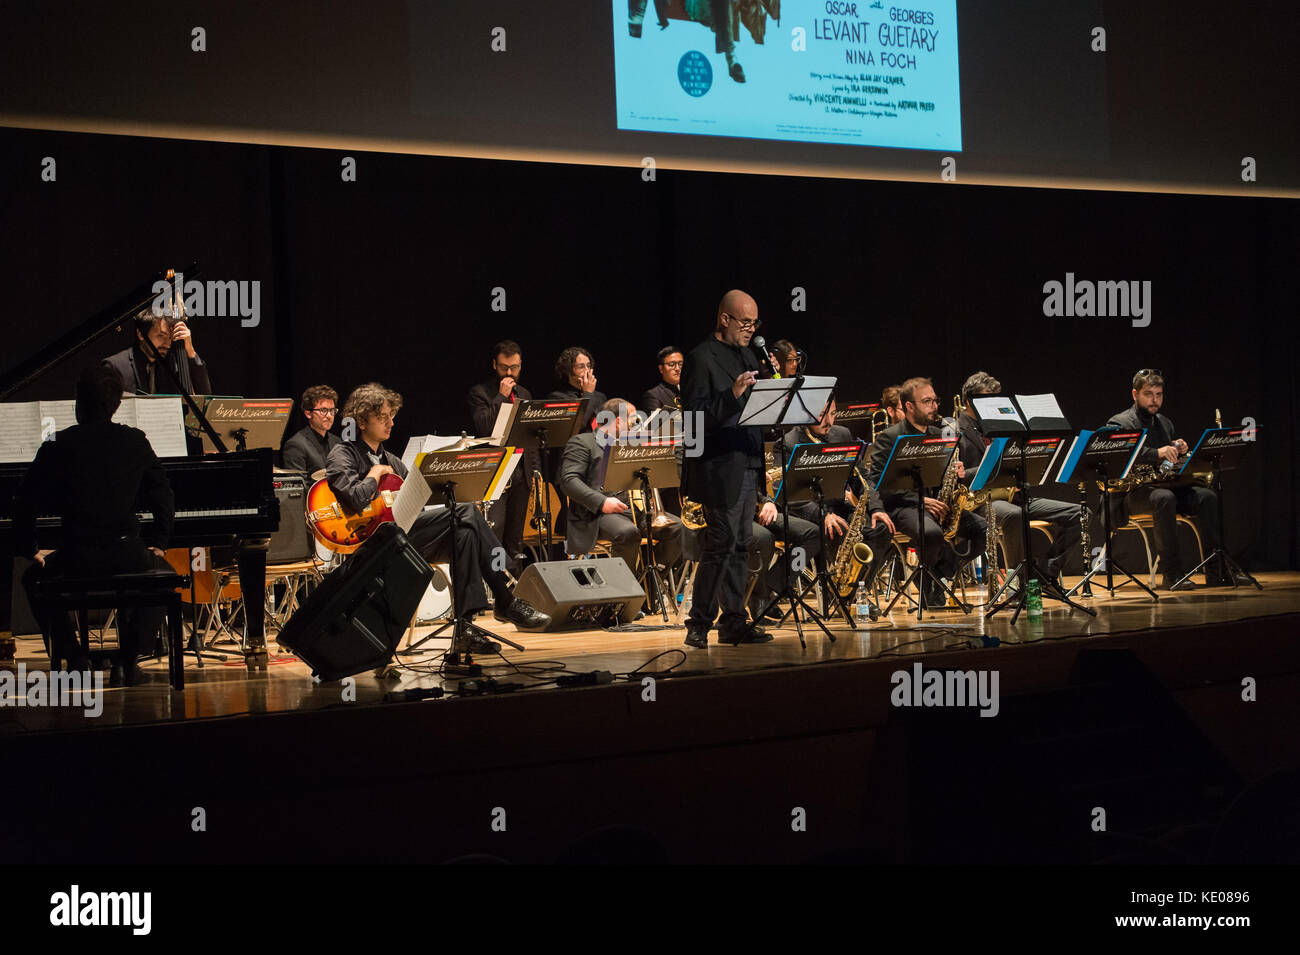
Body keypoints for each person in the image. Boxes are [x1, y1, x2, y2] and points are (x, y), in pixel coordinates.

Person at [324, 383, 550, 654]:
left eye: (392, 415)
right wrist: (374, 474)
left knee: (463, 532)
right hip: (371, 544)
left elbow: (417, 508)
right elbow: (354, 498)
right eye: (382, 417)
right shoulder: (343, 453)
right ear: (361, 420)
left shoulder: (394, 462)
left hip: (403, 538)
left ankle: (465, 628)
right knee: (466, 513)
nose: (391, 422)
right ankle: (506, 599)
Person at [14, 365, 175, 686]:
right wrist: (158, 538)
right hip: (127, 551)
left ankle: (75, 659)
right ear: (116, 404)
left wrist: (30, 548)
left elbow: (24, 502)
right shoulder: (135, 440)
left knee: (33, 579)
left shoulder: (56, 444)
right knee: (166, 581)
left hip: (76, 556)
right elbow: (164, 497)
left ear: (79, 402)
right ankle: (127, 662)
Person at [679, 289, 771, 647]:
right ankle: (698, 623)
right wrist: (730, 395)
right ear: (725, 319)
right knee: (721, 542)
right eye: (745, 323)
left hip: (747, 459)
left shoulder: (748, 354)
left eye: (755, 323)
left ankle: (734, 620)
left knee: (740, 545)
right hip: (718, 466)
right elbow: (694, 419)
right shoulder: (700, 358)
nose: (751, 330)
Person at [1106, 369, 1245, 590]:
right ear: (1135, 394)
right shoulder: (1120, 422)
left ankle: (1217, 571)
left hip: (1163, 486)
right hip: (1131, 495)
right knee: (1164, 498)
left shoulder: (1164, 423)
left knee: (1207, 496)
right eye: (1148, 394)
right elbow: (1119, 459)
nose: (1154, 400)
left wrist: (1178, 450)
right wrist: (1156, 453)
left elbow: (1167, 467)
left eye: (1159, 394)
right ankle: (1172, 573)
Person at [867, 376, 986, 608]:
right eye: (927, 401)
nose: (934, 406)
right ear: (909, 406)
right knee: (931, 533)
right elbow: (881, 484)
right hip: (903, 506)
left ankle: (936, 575)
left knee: (981, 529)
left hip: (936, 503)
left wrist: (956, 471)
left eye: (935, 400)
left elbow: (944, 473)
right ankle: (931, 585)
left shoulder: (940, 432)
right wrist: (922, 500)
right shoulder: (889, 438)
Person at [955, 371, 1081, 586]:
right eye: (987, 400)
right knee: (1014, 515)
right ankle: (1018, 584)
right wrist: (985, 469)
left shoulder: (1001, 424)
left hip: (1013, 494)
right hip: (981, 501)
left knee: (1079, 514)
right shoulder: (954, 428)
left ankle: (1044, 573)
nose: (993, 405)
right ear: (969, 401)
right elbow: (956, 477)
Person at [559, 399, 682, 586]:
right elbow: (569, 481)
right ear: (618, 421)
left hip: (634, 509)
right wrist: (602, 502)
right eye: (634, 420)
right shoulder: (583, 442)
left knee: (677, 529)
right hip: (597, 513)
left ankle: (647, 587)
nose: (637, 425)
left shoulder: (633, 444)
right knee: (627, 533)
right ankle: (622, 593)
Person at [782, 397, 894, 589]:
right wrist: (823, 516)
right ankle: (842, 589)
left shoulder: (842, 434)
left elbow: (861, 476)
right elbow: (791, 494)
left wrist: (875, 507)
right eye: (822, 415)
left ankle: (856, 590)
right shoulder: (789, 442)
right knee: (837, 531)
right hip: (810, 512)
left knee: (881, 529)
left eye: (833, 414)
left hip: (840, 506)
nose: (829, 422)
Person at [467, 340, 534, 573]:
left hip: (521, 470)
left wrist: (534, 471)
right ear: (494, 364)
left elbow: (529, 435)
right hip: (496, 470)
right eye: (504, 367)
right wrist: (502, 397)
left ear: (520, 365)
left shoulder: (524, 393)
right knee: (494, 531)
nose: (509, 373)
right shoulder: (481, 393)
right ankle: (494, 589)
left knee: (515, 539)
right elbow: (485, 428)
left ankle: (514, 593)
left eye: (514, 367)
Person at [103, 306, 212, 396]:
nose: (167, 344)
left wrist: (190, 350)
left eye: (170, 337)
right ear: (141, 334)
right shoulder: (115, 367)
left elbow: (204, 396)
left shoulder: (172, 364)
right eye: (161, 336)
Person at [282, 385, 341, 474]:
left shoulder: (337, 442)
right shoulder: (296, 445)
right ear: (308, 414)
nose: (329, 416)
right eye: (323, 410)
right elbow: (298, 485)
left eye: (332, 410)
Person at [641, 346, 683, 413]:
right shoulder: (653, 396)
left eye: (681, 364)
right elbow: (656, 423)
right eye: (672, 364)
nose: (677, 368)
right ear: (661, 369)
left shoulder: (690, 392)